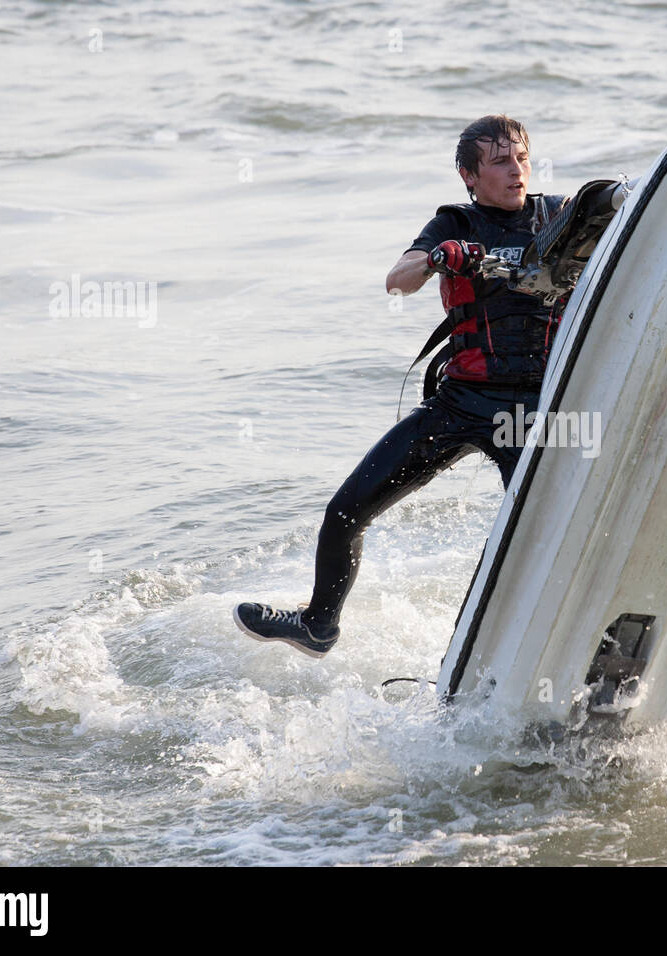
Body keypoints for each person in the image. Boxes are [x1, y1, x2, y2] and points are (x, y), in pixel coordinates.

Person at [234, 115, 568, 658]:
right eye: (501, 162)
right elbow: (399, 278)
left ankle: (531, 643)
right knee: (345, 512)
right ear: (469, 175)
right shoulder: (453, 222)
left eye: (523, 159)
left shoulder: (559, 217)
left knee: (527, 535)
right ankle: (319, 625)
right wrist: (440, 259)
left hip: (532, 410)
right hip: (460, 404)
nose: (517, 172)